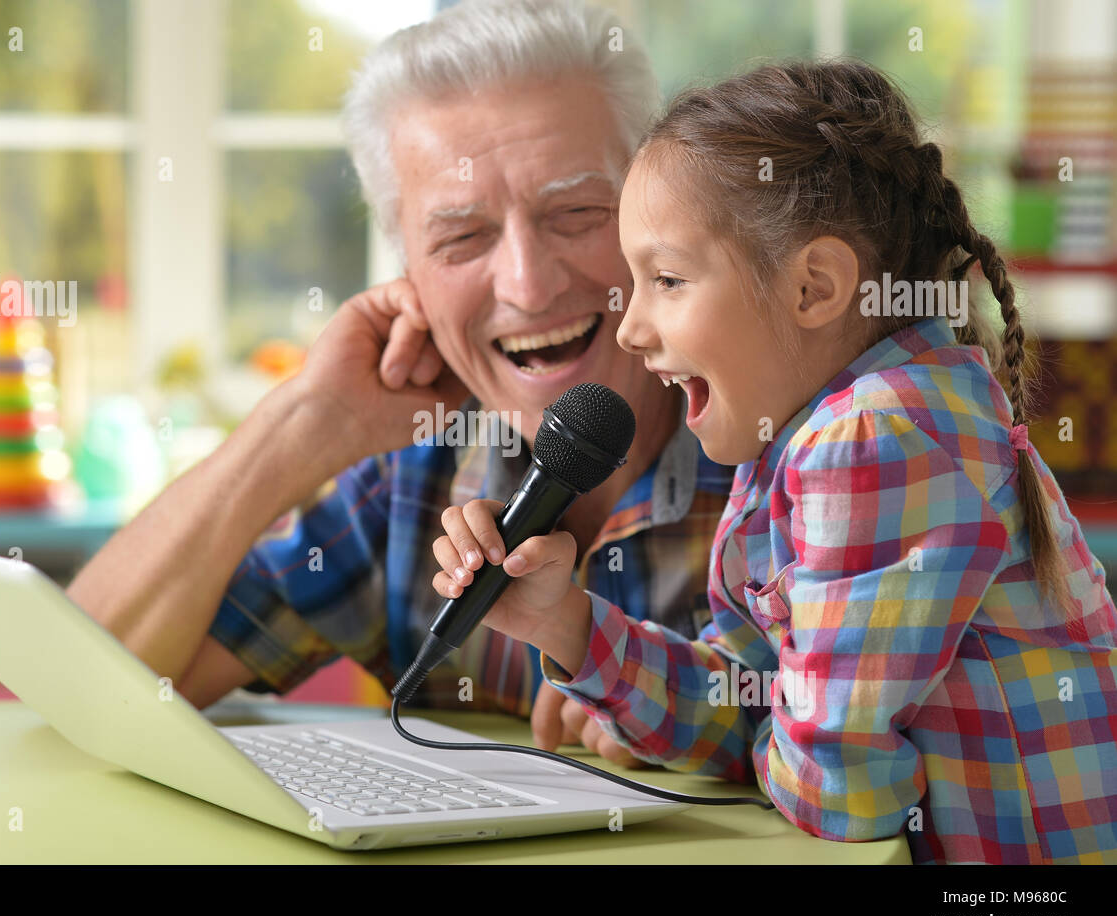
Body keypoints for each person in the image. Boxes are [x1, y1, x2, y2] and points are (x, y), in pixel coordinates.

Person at [430, 60, 1117, 863]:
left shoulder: (875, 437)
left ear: (813, 286)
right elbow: (751, 698)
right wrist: (569, 626)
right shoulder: (799, 441)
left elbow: (837, 790)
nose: (630, 329)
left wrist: (769, 744)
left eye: (669, 279)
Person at [67, 0, 733, 767]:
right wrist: (304, 422)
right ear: (407, 272)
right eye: (462, 238)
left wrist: (655, 696)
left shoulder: (790, 448)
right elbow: (89, 685)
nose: (528, 282)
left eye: (577, 212)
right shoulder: (406, 477)